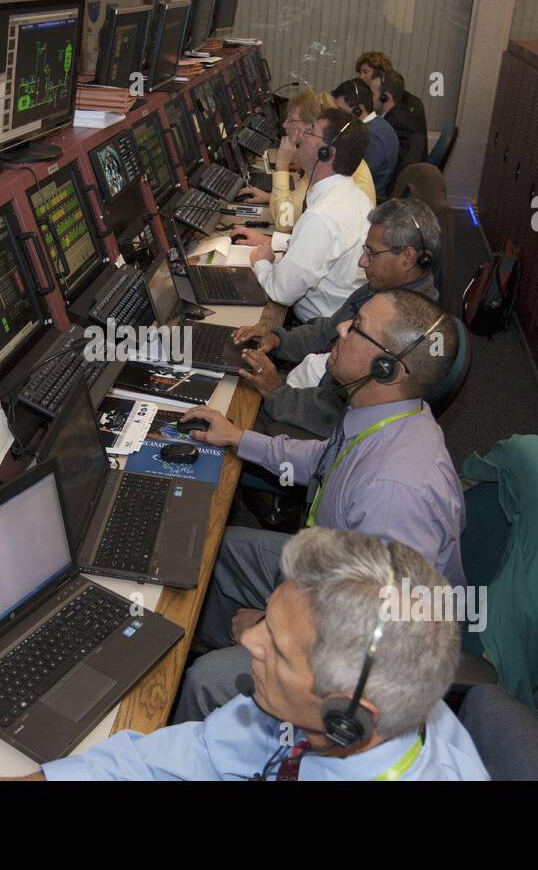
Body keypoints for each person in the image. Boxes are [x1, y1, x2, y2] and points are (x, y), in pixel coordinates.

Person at [0, 530, 488, 780]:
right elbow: (195, 752)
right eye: (267, 618)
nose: (248, 641)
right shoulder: (327, 723)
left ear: (348, 717)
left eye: (277, 650)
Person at [173, 289, 465, 722]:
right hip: (332, 569)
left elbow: (380, 633)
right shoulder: (384, 414)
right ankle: (226, 647)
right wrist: (238, 438)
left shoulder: (396, 492)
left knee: (204, 682)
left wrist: (273, 631)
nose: (341, 327)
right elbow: (323, 459)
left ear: (386, 368)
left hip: (365, 647)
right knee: (216, 548)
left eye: (357, 328)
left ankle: (221, 709)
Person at [234, 199, 442, 437]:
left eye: (371, 253)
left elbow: (341, 413)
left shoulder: (401, 331)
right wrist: (280, 340)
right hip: (310, 392)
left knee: (231, 420)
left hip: (325, 427)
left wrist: (276, 393)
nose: (362, 262)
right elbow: (327, 330)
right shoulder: (383, 289)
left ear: (407, 257)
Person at [247, 107, 372, 322]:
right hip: (342, 317)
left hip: (315, 330)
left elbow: (281, 292)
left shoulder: (322, 216)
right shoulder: (355, 196)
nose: (302, 136)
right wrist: (275, 240)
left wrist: (261, 262)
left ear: (326, 153)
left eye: (311, 131)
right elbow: (326, 248)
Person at [232, 88, 376, 239]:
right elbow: (302, 204)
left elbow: (284, 221)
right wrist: (270, 197)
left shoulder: (328, 166)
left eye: (291, 119)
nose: (285, 125)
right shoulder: (334, 158)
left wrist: (281, 165)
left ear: (311, 126)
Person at [332, 78, 398, 198]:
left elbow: (359, 178)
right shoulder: (379, 126)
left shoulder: (371, 136)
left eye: (340, 111)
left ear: (358, 109)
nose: (337, 117)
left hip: (366, 200)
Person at [373, 69, 428, 176]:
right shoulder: (399, 118)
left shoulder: (393, 126)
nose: (367, 98)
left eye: (372, 94)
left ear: (385, 98)